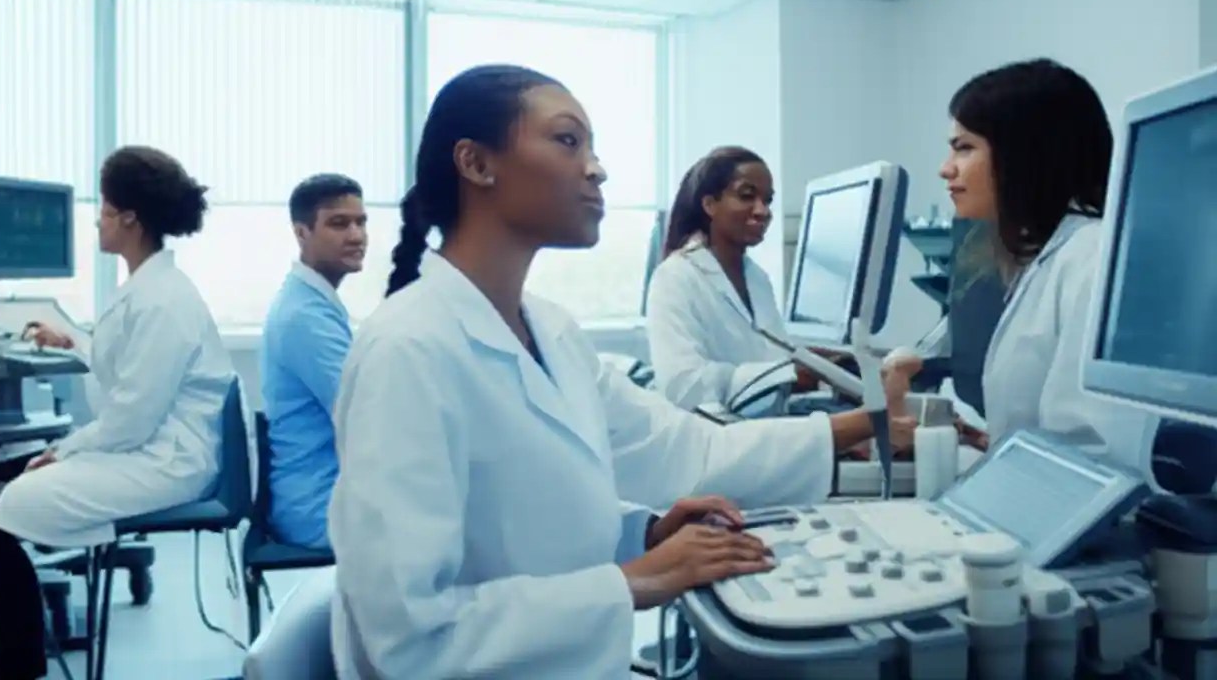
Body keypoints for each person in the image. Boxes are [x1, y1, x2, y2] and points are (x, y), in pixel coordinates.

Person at [327, 64, 910, 678]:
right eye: (568, 140)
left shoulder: (551, 331)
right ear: (476, 164)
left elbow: (685, 450)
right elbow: (406, 641)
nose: (597, 168)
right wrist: (632, 582)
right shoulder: (407, 351)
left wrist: (646, 535)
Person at [0, 145, 234, 680]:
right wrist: (72, 341)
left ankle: (16, 662)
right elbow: (127, 363)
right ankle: (6, 638)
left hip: (163, 460)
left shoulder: (163, 300)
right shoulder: (147, 288)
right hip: (141, 445)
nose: (96, 220)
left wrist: (61, 451)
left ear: (129, 218)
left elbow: (131, 418)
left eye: (103, 209)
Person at [885, 58, 1150, 466]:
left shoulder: (1090, 258)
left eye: (964, 147)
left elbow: (1089, 450)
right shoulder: (1035, 254)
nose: (945, 168)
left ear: (1025, 155)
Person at [646, 146, 816, 413]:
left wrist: (819, 367)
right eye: (747, 196)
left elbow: (774, 358)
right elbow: (682, 386)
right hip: (710, 439)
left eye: (767, 200)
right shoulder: (676, 277)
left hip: (758, 430)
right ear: (709, 204)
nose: (762, 211)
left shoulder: (757, 279)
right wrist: (781, 376)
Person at [260, 173, 365, 550]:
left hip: (324, 494)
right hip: (319, 507)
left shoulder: (311, 303)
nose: (356, 235)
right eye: (339, 224)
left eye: (360, 222)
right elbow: (366, 420)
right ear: (301, 233)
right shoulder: (305, 318)